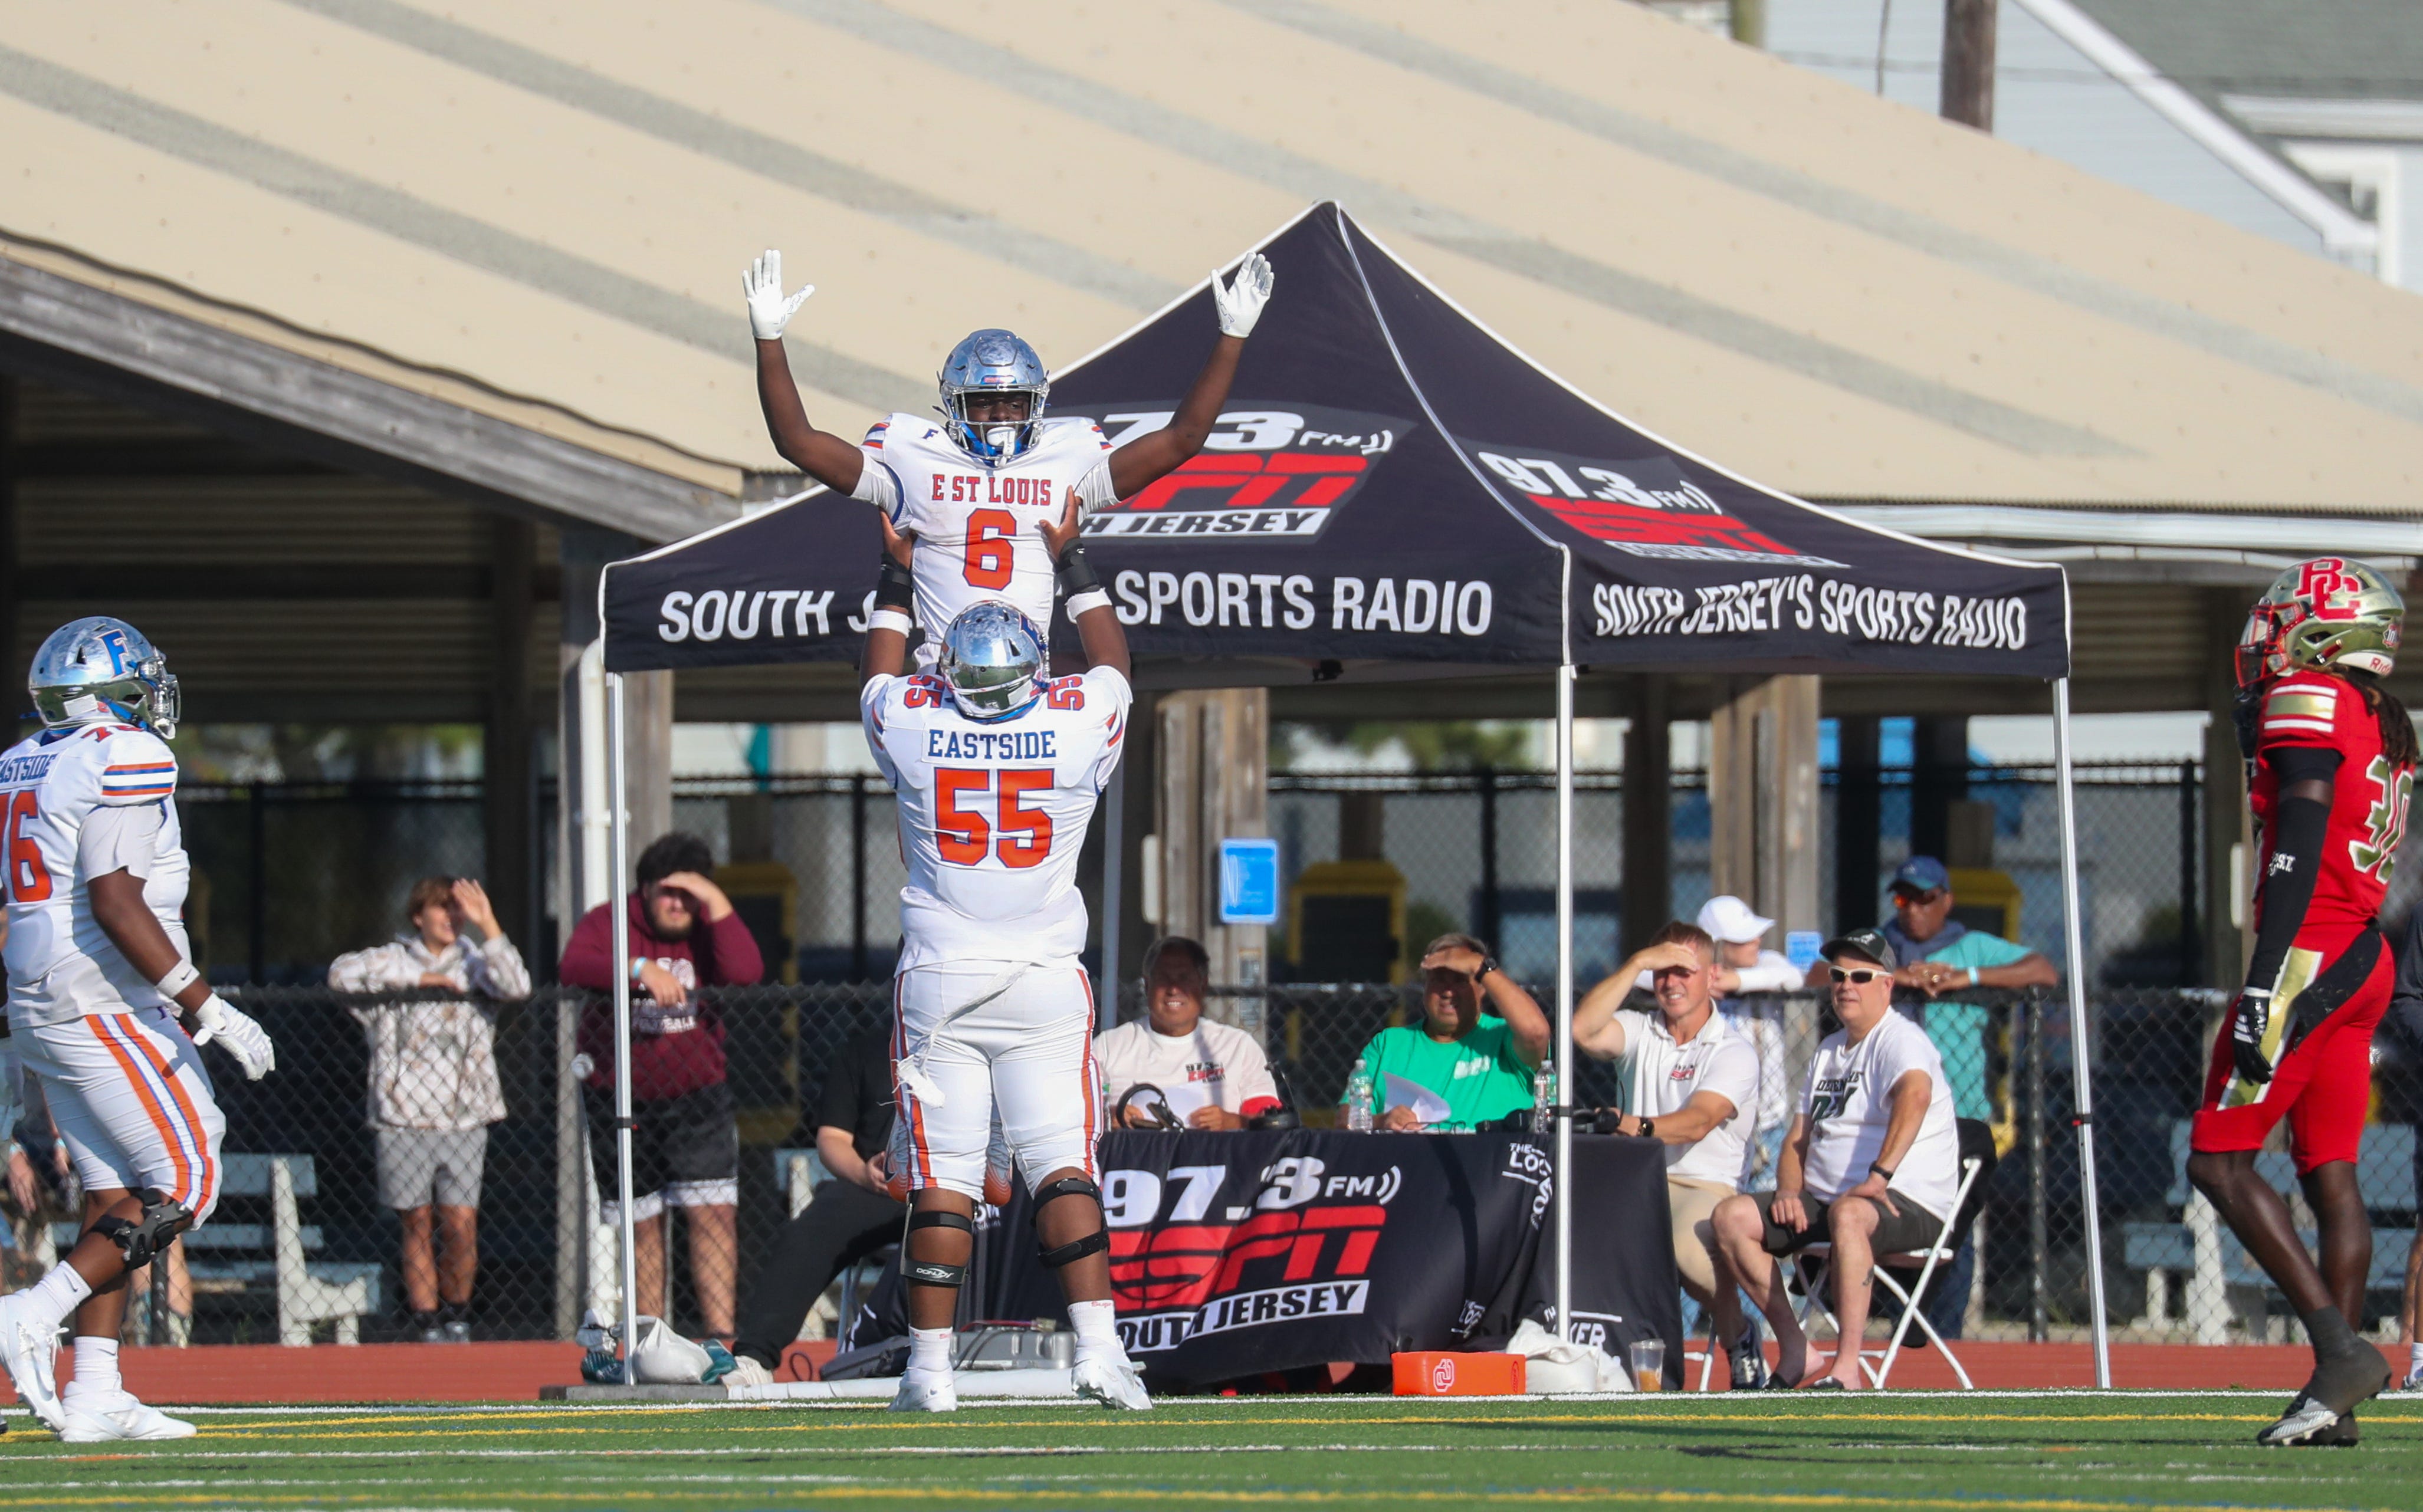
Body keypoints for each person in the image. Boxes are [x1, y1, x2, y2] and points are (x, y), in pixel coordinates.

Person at [859, 502, 1147, 1412]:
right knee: (1062, 1165)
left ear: (950, 674)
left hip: (941, 978)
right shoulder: (1075, 721)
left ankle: (929, 1373)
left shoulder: (912, 721)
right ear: (1034, 672)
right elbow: (1113, 665)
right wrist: (1074, 560)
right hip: (1043, 979)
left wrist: (898, 574)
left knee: (944, 1178)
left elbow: (881, 672)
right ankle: (1100, 1353)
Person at [0, 617, 277, 1440]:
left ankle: (95, 1390)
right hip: (103, 999)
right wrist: (208, 1004)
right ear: (110, 693)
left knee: (113, 1190)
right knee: (189, 1177)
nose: (152, 695)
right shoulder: (124, 753)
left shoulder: (26, 759)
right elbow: (116, 900)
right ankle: (31, 1312)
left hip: (44, 999)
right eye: (140, 681)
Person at [745, 247, 1274, 660]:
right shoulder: (912, 452)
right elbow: (798, 442)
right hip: (938, 678)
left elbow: (1183, 440)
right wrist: (770, 341)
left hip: (1028, 681)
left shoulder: (1070, 454)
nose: (1000, 415)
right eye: (984, 402)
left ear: (1036, 402)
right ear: (954, 403)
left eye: (1014, 402)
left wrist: (1232, 337)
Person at [2194, 558, 2414, 1446]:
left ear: (2325, 631)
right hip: (2364, 952)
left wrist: (2263, 977)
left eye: (2284, 619)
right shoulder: (2380, 713)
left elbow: (2301, 834)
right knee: (2331, 1172)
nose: (2268, 636)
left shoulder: (2311, 697)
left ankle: (2340, 1354)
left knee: (2218, 1161)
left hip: (2310, 954)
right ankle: (2334, 1401)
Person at [1708, 928, 1962, 1391]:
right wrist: (1789, 1190)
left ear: (1887, 986)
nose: (1846, 985)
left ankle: (1847, 1370)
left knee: (1849, 1214)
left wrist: (1880, 1175)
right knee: (1729, 1218)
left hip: (1902, 1201)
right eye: (1839, 976)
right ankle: (1797, 1348)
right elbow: (1797, 1138)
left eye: (1861, 977)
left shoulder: (1900, 1040)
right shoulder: (1828, 1050)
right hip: (1829, 1201)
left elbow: (1916, 1095)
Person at [561, 833, 763, 1341]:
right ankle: (652, 1342)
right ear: (646, 890)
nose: (679, 905)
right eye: (669, 893)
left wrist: (715, 900)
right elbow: (572, 965)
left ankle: (721, 1342)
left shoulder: (709, 927)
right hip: (620, 1099)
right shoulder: (610, 921)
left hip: (698, 1099)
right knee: (643, 1225)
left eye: (690, 895)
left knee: (713, 1215)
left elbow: (746, 971)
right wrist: (637, 968)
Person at [327, 876, 531, 1342]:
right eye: (442, 908)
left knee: (461, 1223)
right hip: (401, 1116)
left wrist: (488, 924)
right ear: (419, 915)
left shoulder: (477, 964)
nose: (452, 917)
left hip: (465, 1115)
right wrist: (419, 981)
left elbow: (517, 986)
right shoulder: (392, 961)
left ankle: (457, 1314)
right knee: (417, 1221)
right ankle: (426, 1322)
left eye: (458, 910)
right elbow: (340, 975)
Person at [1574, 921, 1767, 1388]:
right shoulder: (1640, 1029)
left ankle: (1739, 1336)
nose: (1671, 982)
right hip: (1636, 1180)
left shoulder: (1733, 1048)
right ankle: (1595, 1360)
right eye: (1662, 971)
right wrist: (1639, 961)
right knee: (1574, 1232)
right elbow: (1583, 1029)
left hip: (1705, 1185)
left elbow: (1698, 1122)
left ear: (1712, 976)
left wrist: (1637, 1126)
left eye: (1684, 970)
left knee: (1679, 1243)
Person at [1879, 856, 2055, 1339]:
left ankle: (1945, 1337)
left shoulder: (1972, 945)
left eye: (1925, 898)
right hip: (1889, 1117)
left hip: (1959, 1116)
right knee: (1890, 1225)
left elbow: (2042, 970)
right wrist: (1897, 978)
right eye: (1904, 898)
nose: (1914, 909)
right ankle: (1904, 1333)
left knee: (1954, 1229)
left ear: (1946, 901)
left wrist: (1965, 978)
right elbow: (1822, 973)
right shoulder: (1882, 946)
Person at [724, 1024, 905, 1388]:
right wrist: (864, 1173)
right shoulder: (864, 1052)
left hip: (960, 1189)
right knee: (814, 1228)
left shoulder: (978, 1048)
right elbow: (833, 1138)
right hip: (878, 1190)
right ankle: (755, 1357)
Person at [1343, 934, 1549, 1132]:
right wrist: (1382, 1121)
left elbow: (1536, 1033)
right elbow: (1344, 1120)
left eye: (1461, 980)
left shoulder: (1504, 1037)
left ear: (1483, 988)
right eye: (1439, 980)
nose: (1448, 992)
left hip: (1494, 1156)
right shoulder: (1388, 1044)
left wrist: (1480, 966)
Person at [1095, 937, 1280, 1130]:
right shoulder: (1108, 1047)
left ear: (1203, 986)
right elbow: (1077, 1110)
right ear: (1148, 986)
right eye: (1163, 979)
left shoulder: (1239, 1047)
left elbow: (1271, 1122)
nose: (1174, 989)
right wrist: (1108, 1117)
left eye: (1184, 979)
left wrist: (1232, 1122)